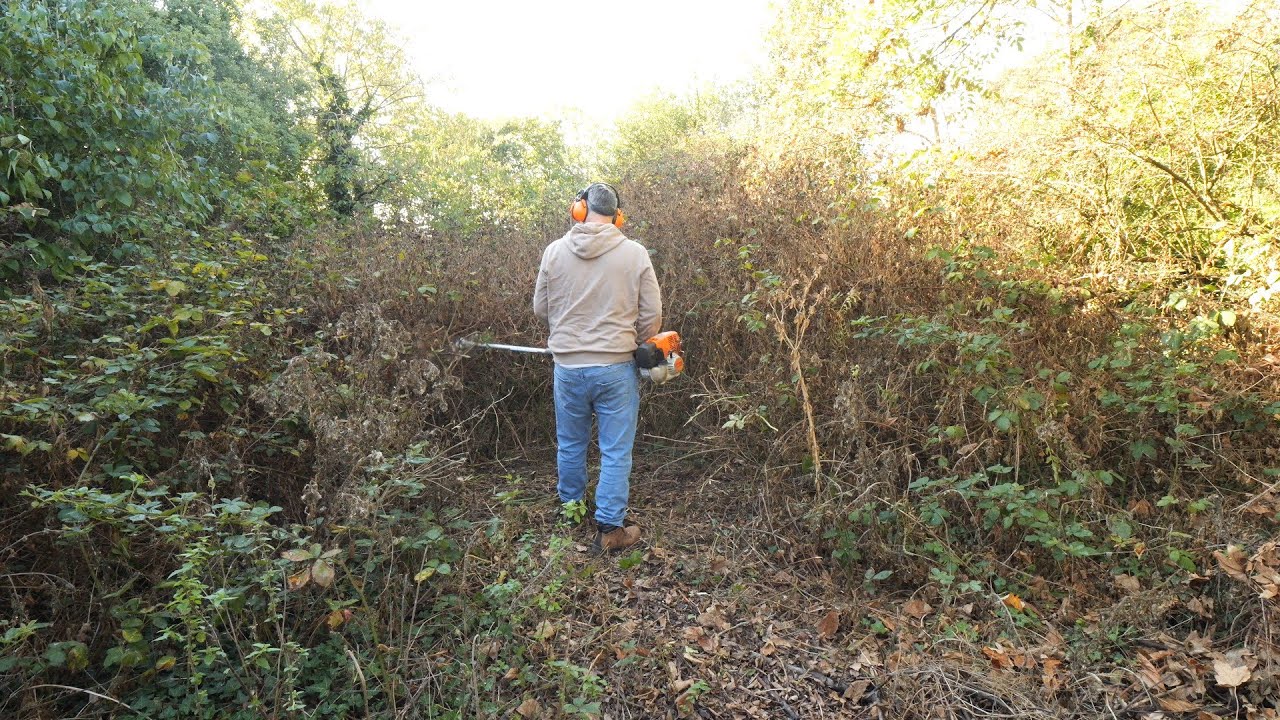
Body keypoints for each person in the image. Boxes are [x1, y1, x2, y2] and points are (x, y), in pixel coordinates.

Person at [534, 183, 662, 553]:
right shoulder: (634, 253)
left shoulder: (554, 251)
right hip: (615, 368)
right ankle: (609, 528)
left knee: (571, 444)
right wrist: (635, 340)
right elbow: (652, 316)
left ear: (579, 208)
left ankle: (571, 511)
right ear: (617, 216)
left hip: (568, 368)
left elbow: (541, 309)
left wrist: (569, 331)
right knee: (615, 450)